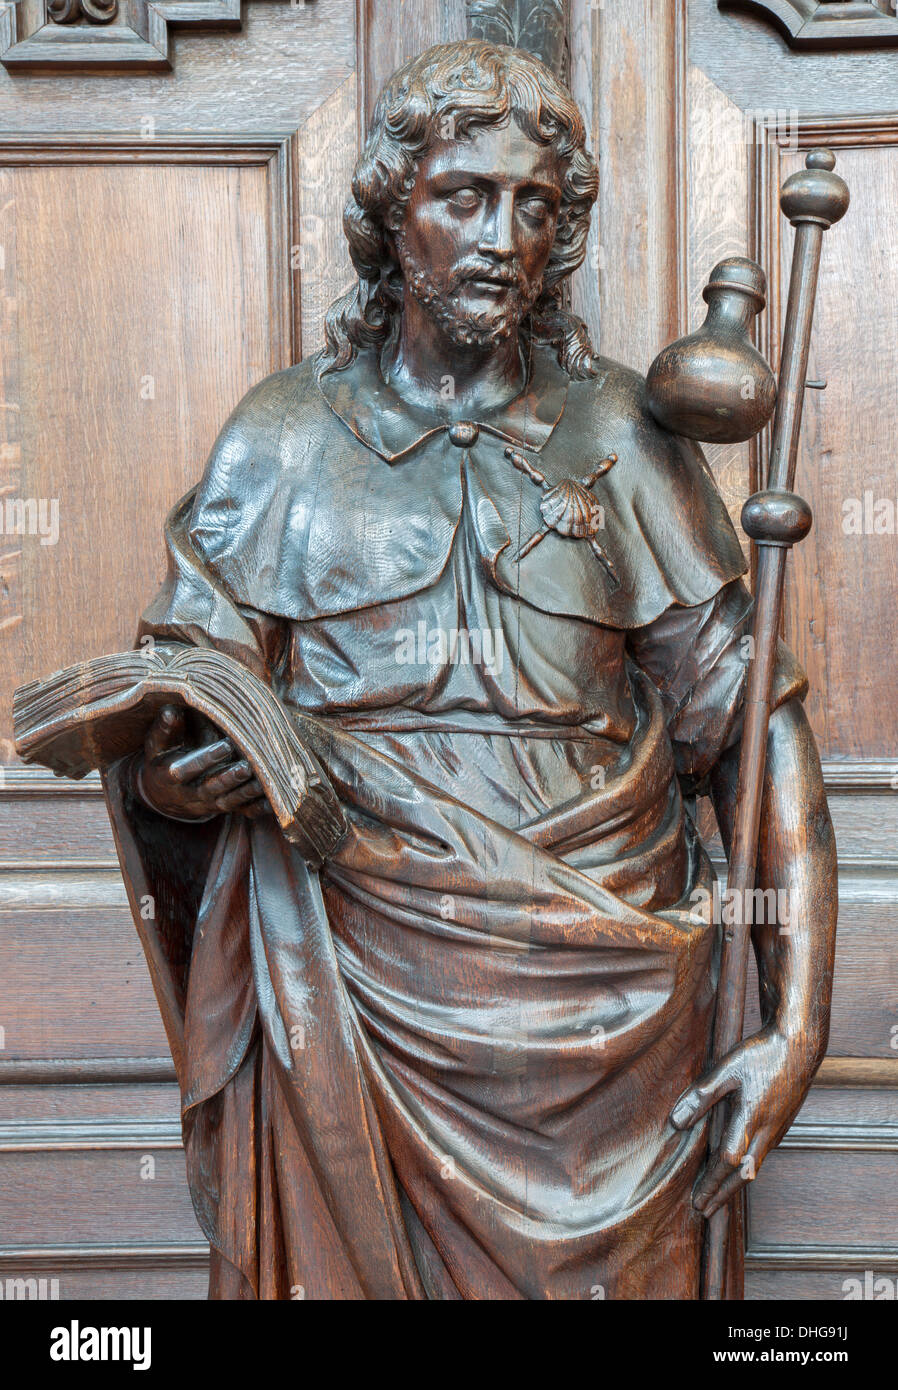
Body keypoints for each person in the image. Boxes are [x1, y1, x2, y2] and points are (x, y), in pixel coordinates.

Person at [105, 39, 837, 1299]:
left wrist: (798, 1021)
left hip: (613, 1026)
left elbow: (757, 734)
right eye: (464, 196)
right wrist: (189, 771)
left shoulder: (621, 433)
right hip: (355, 993)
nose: (503, 235)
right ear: (396, 214)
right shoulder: (281, 438)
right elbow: (174, 731)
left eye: (535, 206)